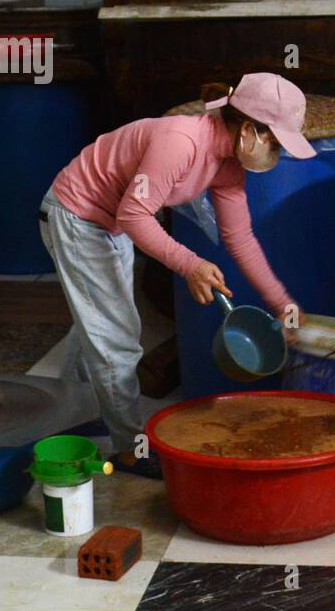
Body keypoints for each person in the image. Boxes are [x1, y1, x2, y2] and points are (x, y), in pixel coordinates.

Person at [39, 73, 314, 478]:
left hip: (109, 223)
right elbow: (134, 215)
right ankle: (129, 449)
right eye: (273, 142)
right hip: (78, 216)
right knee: (117, 338)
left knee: (99, 322)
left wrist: (283, 303)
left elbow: (239, 238)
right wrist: (191, 265)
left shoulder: (228, 163)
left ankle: (80, 412)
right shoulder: (181, 141)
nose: (274, 154)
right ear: (249, 130)